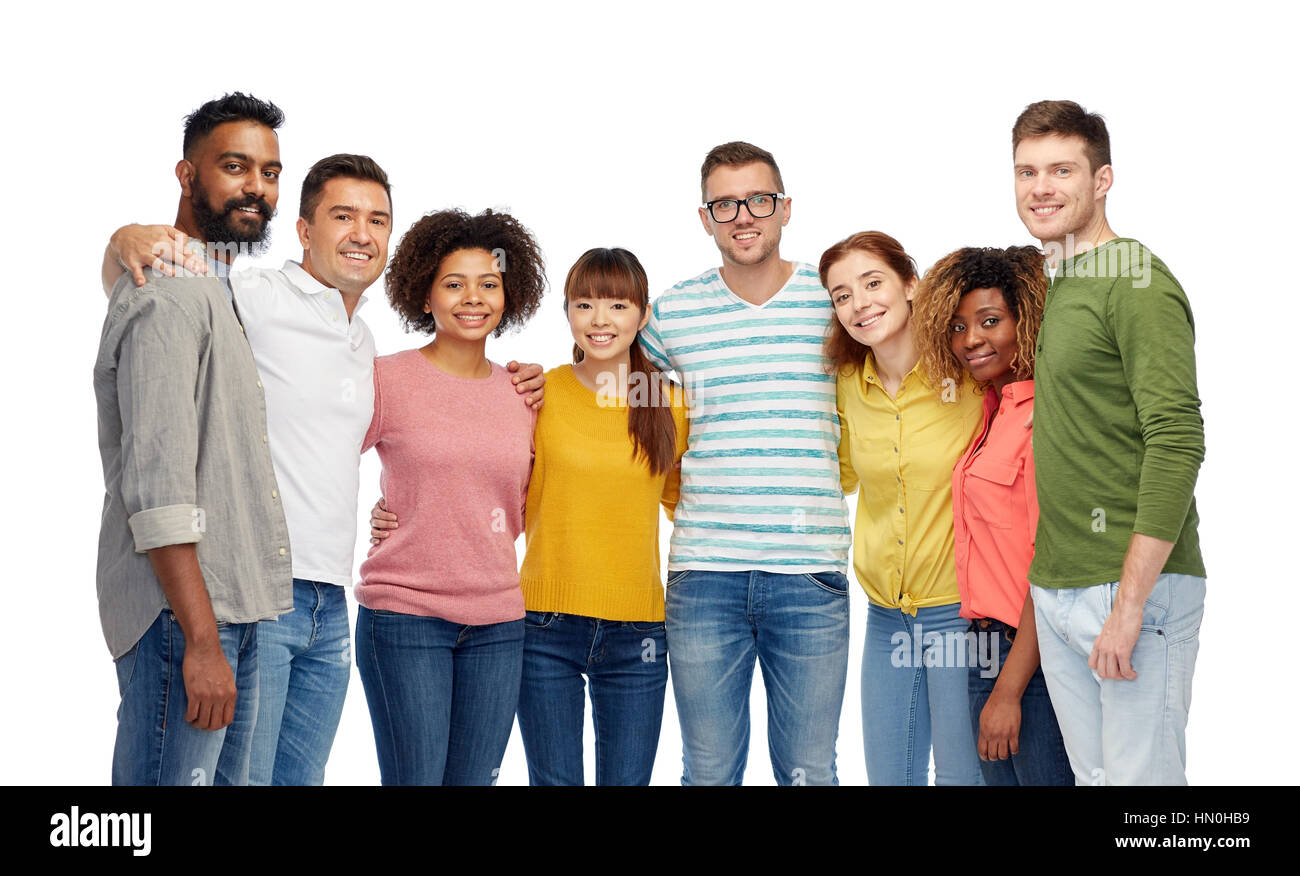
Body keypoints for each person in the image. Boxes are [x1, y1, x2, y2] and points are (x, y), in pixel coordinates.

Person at [101, 156, 546, 785]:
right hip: (262, 596)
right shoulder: (253, 296)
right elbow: (153, 289)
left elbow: (359, 450)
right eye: (343, 216)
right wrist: (120, 242)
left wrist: (412, 510)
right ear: (305, 230)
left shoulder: (361, 342)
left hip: (331, 605)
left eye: (377, 219)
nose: (362, 232)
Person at [372, 247, 690, 785]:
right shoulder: (537, 395)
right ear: (567, 313)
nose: (600, 320)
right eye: (584, 305)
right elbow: (487, 477)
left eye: (617, 305)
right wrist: (397, 509)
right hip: (544, 624)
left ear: (642, 313)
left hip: (639, 628)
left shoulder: (672, 407)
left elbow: (691, 506)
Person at [93, 92, 293, 785]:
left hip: (227, 607)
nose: (255, 187)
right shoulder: (171, 292)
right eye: (235, 166)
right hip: (183, 616)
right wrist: (203, 641)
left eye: (269, 172)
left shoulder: (215, 285)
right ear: (186, 175)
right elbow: (160, 488)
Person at [639, 142, 852, 786]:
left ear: (784, 208)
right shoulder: (672, 313)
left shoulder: (833, 299)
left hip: (809, 572)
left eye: (758, 199)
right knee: (707, 771)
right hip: (705, 577)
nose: (743, 216)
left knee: (810, 771)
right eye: (724, 204)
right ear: (705, 218)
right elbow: (607, 387)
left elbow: (904, 362)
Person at [1010, 100, 1206, 785]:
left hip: (1130, 589)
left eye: (1061, 169)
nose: (1041, 187)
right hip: (1059, 587)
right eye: (1027, 171)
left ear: (1103, 180)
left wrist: (1128, 605)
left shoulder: (1135, 280)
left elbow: (1178, 440)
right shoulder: (1059, 283)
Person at [355, 208, 545, 785]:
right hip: (405, 617)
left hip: (499, 622)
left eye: (489, 284)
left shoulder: (527, 393)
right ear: (425, 294)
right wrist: (383, 513)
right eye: (454, 283)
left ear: (509, 297)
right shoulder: (385, 377)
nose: (474, 298)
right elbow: (318, 461)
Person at [824, 231, 986, 786]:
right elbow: (839, 476)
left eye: (873, 283)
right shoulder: (847, 384)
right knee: (891, 777)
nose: (860, 303)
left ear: (910, 284)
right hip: (886, 617)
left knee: (965, 778)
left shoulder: (966, 373)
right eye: (842, 294)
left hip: (963, 616)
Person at [910, 245, 1072, 785]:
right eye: (957, 326)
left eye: (989, 321)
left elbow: (1050, 565)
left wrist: (1009, 689)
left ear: (1024, 320)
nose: (971, 339)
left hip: (1033, 659)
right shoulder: (989, 412)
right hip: (983, 645)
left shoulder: (1044, 417)